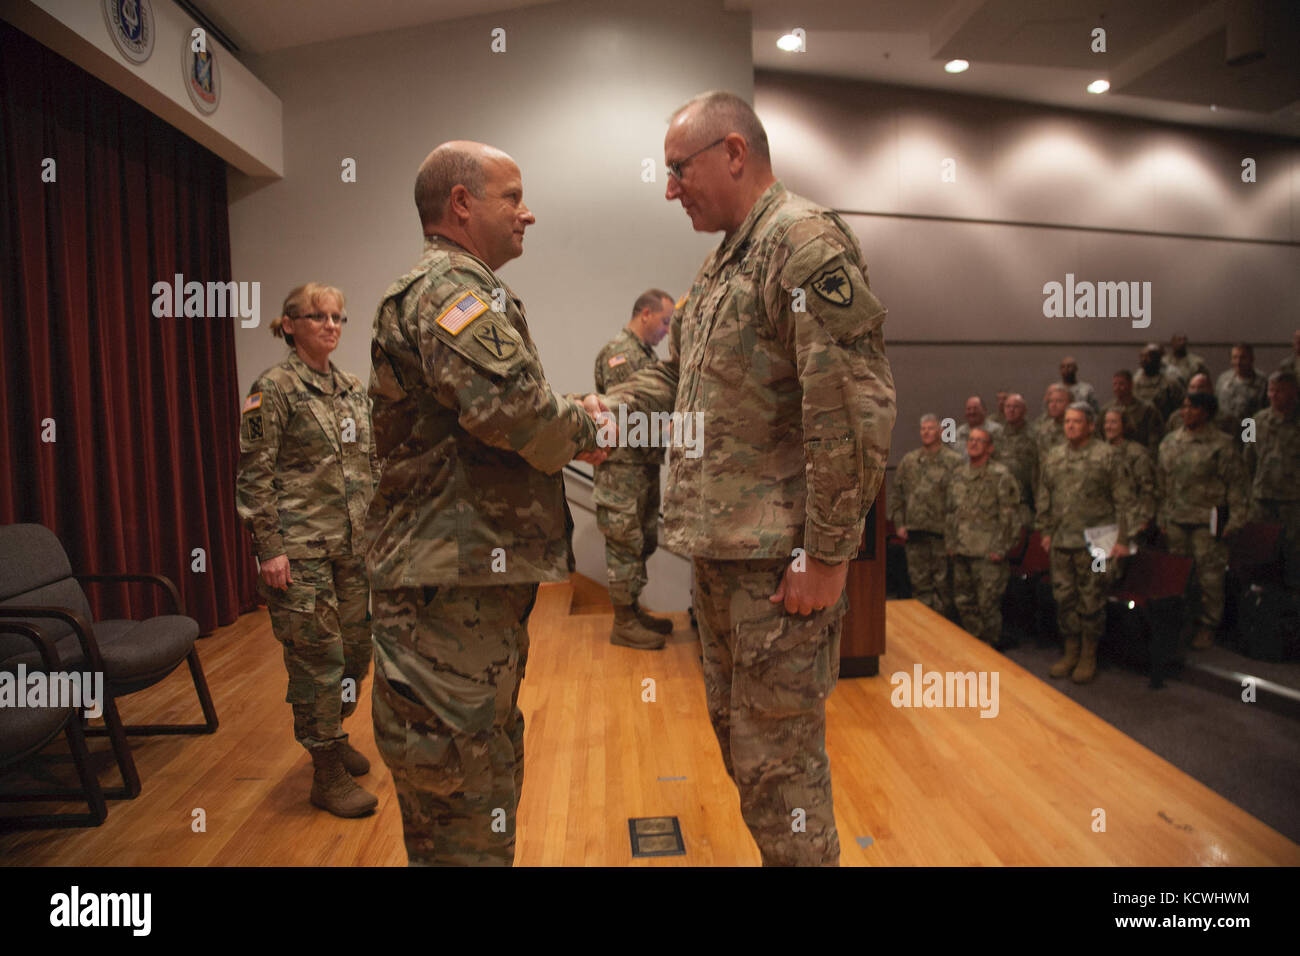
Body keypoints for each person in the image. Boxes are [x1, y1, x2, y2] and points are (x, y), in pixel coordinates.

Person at [597, 90, 895, 866]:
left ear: (733, 152)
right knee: (748, 757)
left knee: (782, 774)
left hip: (778, 567)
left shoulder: (802, 243)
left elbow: (853, 408)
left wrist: (828, 556)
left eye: (677, 170)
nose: (670, 190)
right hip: (723, 559)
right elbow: (678, 385)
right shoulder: (726, 258)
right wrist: (602, 411)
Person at [365, 140, 606, 866]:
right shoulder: (448, 291)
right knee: (461, 801)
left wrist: (566, 413)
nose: (527, 213)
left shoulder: (464, 289)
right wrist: (593, 426)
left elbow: (495, 413)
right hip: (445, 598)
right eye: (513, 197)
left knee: (484, 776)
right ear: (462, 204)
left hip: (466, 592)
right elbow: (516, 415)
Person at [236, 283, 379, 818]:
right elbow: (255, 473)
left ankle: (335, 733)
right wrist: (268, 548)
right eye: (318, 316)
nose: (331, 325)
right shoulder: (271, 389)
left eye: (338, 316)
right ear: (290, 324)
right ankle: (325, 771)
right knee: (318, 659)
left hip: (351, 547)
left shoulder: (350, 387)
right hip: (299, 552)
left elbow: (370, 462)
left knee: (357, 652)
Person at [592, 289, 677, 650]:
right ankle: (623, 622)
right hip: (622, 466)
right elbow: (627, 411)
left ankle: (633, 610)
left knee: (642, 539)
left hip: (641, 463)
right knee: (625, 541)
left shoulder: (645, 354)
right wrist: (670, 427)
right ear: (645, 314)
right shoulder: (621, 354)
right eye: (664, 321)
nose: (667, 330)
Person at [1036, 404, 1136, 683]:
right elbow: (1045, 495)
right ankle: (1070, 651)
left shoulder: (1107, 456)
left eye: (1076, 421)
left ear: (1091, 425)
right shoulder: (1054, 456)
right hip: (1062, 538)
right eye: (1067, 421)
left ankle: (1088, 654)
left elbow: (1124, 501)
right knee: (1065, 598)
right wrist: (1045, 530)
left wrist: (1123, 540)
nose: (1070, 426)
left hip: (1098, 538)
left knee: (1091, 599)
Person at [1156, 393, 1247, 649]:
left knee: (1210, 576)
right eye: (1184, 407)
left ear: (1206, 412)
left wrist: (1236, 519)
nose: (1186, 411)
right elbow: (1162, 484)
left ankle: (1208, 625)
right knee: (1181, 576)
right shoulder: (1170, 442)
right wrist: (1161, 516)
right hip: (1176, 519)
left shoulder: (1221, 444)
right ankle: (1184, 622)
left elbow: (1237, 486)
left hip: (1207, 520)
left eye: (1193, 407)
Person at [944, 428, 1020, 647]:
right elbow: (950, 512)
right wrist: (950, 542)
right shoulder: (958, 474)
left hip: (988, 553)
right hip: (961, 549)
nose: (974, 444)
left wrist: (1001, 548)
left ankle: (990, 650)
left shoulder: (1000, 475)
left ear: (990, 447)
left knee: (988, 606)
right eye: (971, 440)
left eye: (980, 441)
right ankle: (975, 647)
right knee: (964, 602)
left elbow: (1011, 517)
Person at [889, 415, 960, 615]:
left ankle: (942, 631)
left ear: (940, 431)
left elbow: (959, 500)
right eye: (923, 429)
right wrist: (899, 524)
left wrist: (955, 532)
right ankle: (924, 627)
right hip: (915, 532)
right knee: (920, 584)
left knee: (943, 586)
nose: (926, 432)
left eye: (930, 428)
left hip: (942, 534)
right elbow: (897, 495)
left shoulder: (953, 462)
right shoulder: (909, 461)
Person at [1244, 371, 1300, 589]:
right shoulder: (1252, 422)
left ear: (1293, 392)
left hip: (1293, 501)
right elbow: (1246, 460)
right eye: (1271, 390)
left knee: (1294, 554)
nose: (1273, 395)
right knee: (1260, 552)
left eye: (1279, 391)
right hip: (1261, 499)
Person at [1102, 407, 1156, 543]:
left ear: (1124, 425)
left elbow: (1147, 489)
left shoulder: (1137, 453)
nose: (1108, 426)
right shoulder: (1098, 452)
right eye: (1106, 422)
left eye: (1113, 422)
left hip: (1130, 520)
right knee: (1099, 563)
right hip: (1102, 519)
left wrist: (1144, 518)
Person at [994, 392, 1038, 521]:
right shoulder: (997, 435)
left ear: (1024, 410)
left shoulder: (1035, 435)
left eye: (1016, 407)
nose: (1011, 410)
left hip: (1025, 501)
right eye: (1008, 407)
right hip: (1001, 499)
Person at [1215, 343, 1268, 442]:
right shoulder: (1223, 379)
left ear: (1252, 359)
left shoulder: (1262, 382)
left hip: (1249, 432)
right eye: (1234, 358)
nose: (1238, 362)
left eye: (1243, 358)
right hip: (1225, 433)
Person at [1103, 369, 1163, 450]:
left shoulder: (1147, 409)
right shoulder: (1107, 409)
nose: (1117, 388)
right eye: (1115, 384)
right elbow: (1100, 434)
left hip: (1140, 452)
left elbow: (1154, 438)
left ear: (1131, 385)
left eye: (1121, 384)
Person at [1133, 342, 1185, 420]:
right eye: (1141, 356)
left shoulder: (1170, 381)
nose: (1144, 360)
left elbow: (1180, 405)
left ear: (1158, 359)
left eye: (1148, 356)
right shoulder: (1135, 380)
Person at [1033, 384, 1070, 458]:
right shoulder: (1042, 429)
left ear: (1070, 403)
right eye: (1050, 401)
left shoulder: (1076, 428)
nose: (1053, 405)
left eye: (1059, 401)